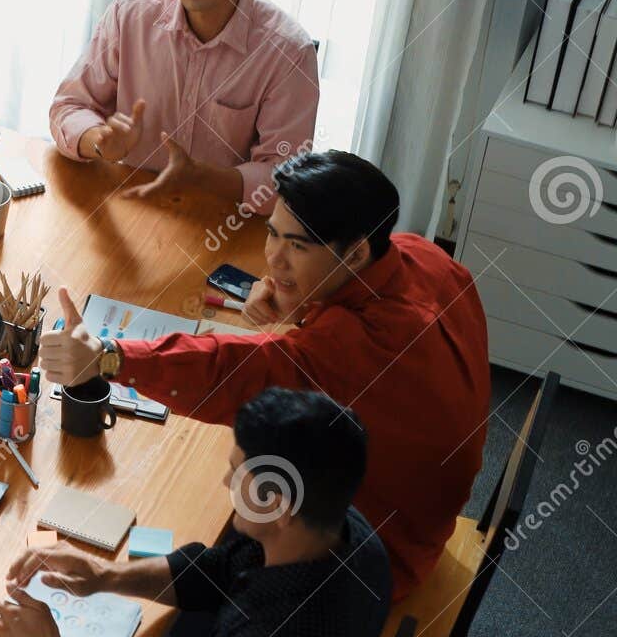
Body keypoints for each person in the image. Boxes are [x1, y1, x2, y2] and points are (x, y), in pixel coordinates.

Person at [39, 150, 490, 600]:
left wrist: (110, 357)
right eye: (273, 234)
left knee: (210, 535)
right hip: (426, 512)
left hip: (376, 559)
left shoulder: (351, 346)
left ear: (355, 253)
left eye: (298, 246)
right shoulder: (423, 255)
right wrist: (302, 304)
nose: (274, 258)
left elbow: (229, 371)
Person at [0, 387, 391, 637]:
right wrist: (106, 574)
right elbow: (217, 569)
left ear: (277, 505)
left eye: (237, 471)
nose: (226, 480)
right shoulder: (343, 531)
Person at [49, 0, 318, 213]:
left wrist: (201, 178)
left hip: (219, 220)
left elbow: (286, 180)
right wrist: (100, 143)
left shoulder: (288, 52)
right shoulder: (130, 13)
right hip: (127, 205)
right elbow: (68, 106)